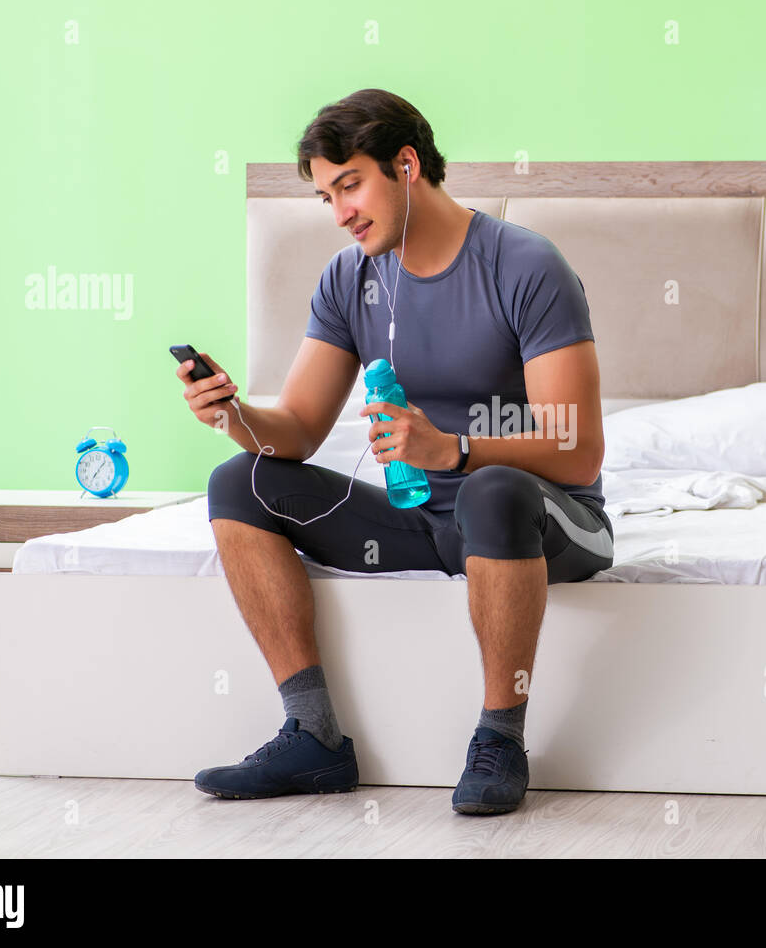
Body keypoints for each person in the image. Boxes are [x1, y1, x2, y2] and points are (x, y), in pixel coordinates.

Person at [175, 88, 613, 816]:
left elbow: (580, 451)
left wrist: (455, 450)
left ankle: (501, 739)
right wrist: (233, 414)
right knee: (239, 481)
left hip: (540, 519)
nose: (341, 210)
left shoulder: (526, 265)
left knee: (492, 490)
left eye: (350, 183)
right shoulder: (350, 279)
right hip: (423, 521)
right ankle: (313, 736)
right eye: (326, 196)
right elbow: (298, 430)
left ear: (406, 165)